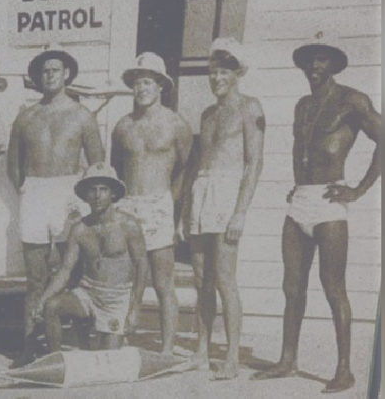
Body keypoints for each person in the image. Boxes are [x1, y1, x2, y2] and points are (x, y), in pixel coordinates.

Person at [253, 39, 380, 393]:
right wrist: (297, 186)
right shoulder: (303, 105)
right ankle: (287, 360)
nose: (314, 66)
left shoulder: (352, 100)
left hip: (329, 202)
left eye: (321, 60)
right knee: (291, 287)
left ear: (333, 65)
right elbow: (302, 152)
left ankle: (344, 370)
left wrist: (358, 189)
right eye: (309, 61)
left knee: (333, 286)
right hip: (301, 201)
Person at [7, 48, 106, 365]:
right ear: (38, 77)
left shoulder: (82, 115)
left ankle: (79, 342)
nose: (49, 75)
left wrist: (86, 206)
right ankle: (29, 347)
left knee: (73, 271)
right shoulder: (26, 116)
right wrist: (27, 190)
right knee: (35, 275)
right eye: (44, 70)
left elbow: (98, 166)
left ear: (66, 74)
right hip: (35, 190)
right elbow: (14, 167)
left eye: (55, 69)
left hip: (69, 192)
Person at [183, 38, 264, 380]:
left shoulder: (250, 107)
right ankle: (201, 351)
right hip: (203, 190)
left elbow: (254, 163)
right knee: (201, 277)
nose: (216, 78)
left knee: (224, 278)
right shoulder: (207, 114)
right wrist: (186, 209)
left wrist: (240, 211)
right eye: (213, 72)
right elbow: (198, 164)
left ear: (237, 74)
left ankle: (231, 356)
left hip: (229, 191)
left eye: (223, 72)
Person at [110, 52, 192, 354]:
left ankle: (167, 348)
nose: (141, 88)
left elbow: (186, 169)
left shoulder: (176, 124)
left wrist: (172, 205)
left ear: (160, 86)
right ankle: (117, 338)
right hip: (128, 204)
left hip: (159, 203)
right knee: (123, 278)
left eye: (147, 82)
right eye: (136, 82)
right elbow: (116, 170)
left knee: (162, 281)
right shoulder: (122, 126)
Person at [33, 163, 148, 351]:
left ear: (112, 194)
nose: (97, 195)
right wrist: (42, 300)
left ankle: (107, 342)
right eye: (92, 190)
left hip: (116, 298)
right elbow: (65, 270)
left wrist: (135, 308)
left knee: (108, 359)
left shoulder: (128, 225)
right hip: (88, 293)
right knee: (51, 306)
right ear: (85, 195)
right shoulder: (80, 229)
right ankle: (54, 359)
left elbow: (142, 268)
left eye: (103, 189)